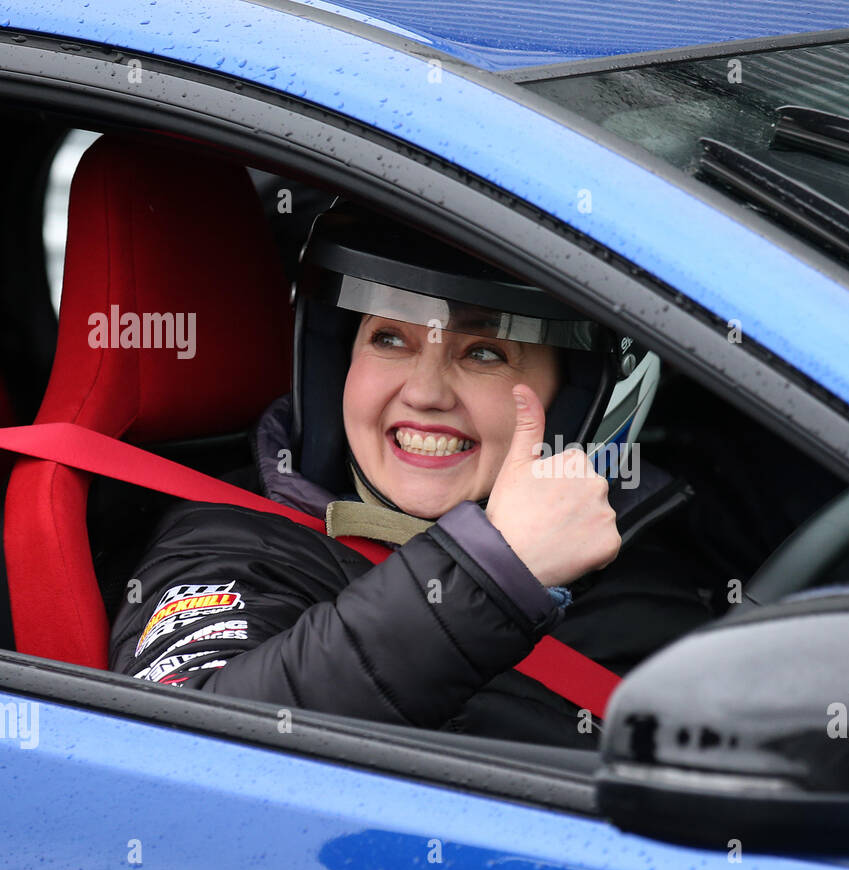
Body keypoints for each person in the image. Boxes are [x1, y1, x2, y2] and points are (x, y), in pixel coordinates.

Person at [108, 202, 713, 747]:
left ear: (575, 402)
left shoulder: (649, 571)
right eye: (390, 339)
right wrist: (498, 573)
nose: (424, 393)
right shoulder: (236, 541)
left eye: (484, 352)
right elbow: (189, 744)